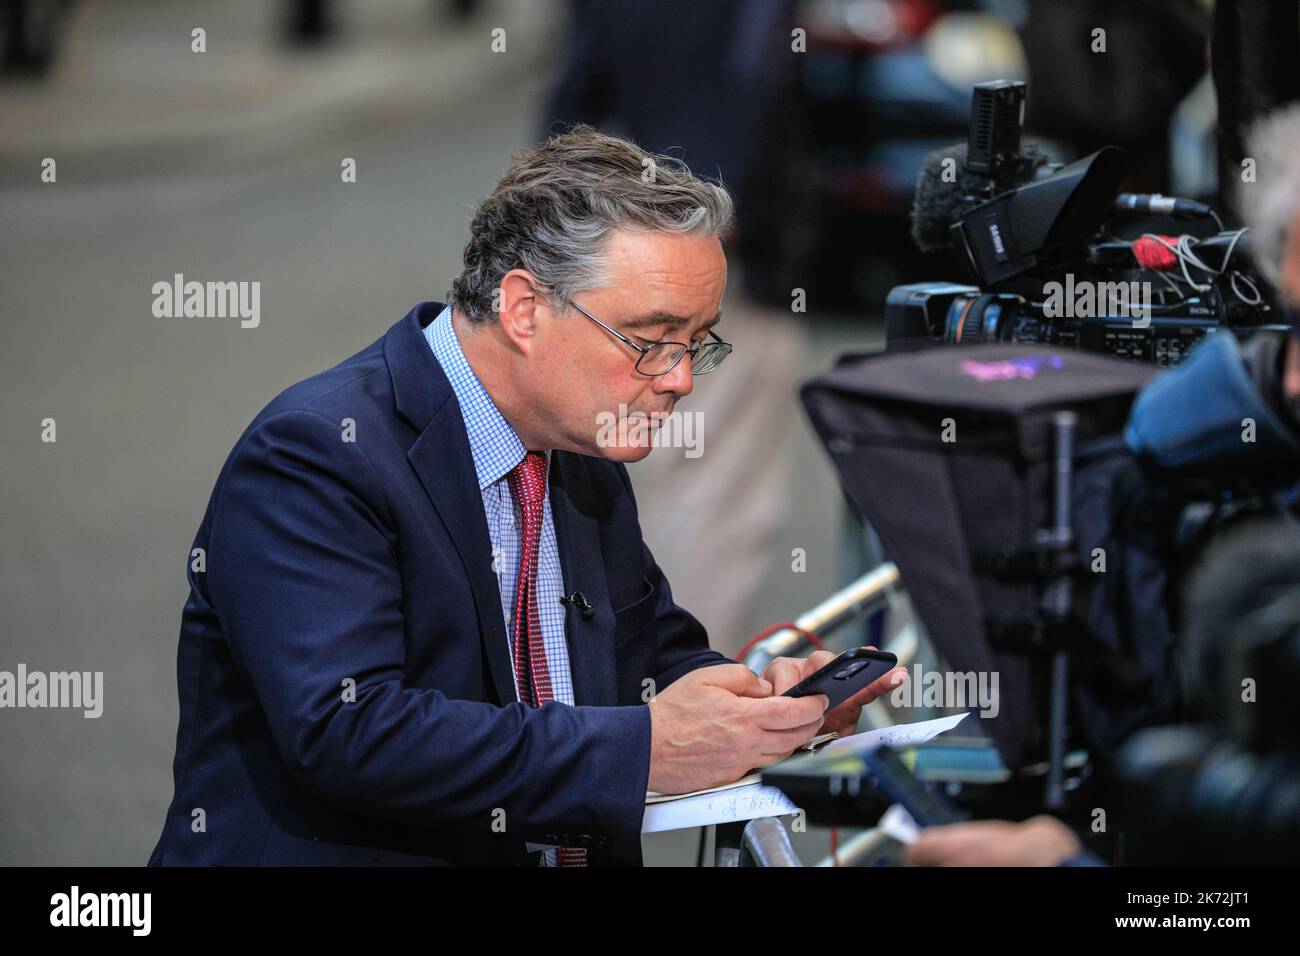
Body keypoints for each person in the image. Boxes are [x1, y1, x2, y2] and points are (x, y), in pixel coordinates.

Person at [148, 125, 905, 867]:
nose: (679, 379)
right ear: (523, 309)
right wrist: (647, 749)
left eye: (699, 342)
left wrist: (755, 706)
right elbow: (352, 733)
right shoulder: (317, 451)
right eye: (651, 340)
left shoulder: (577, 437)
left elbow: (646, 654)